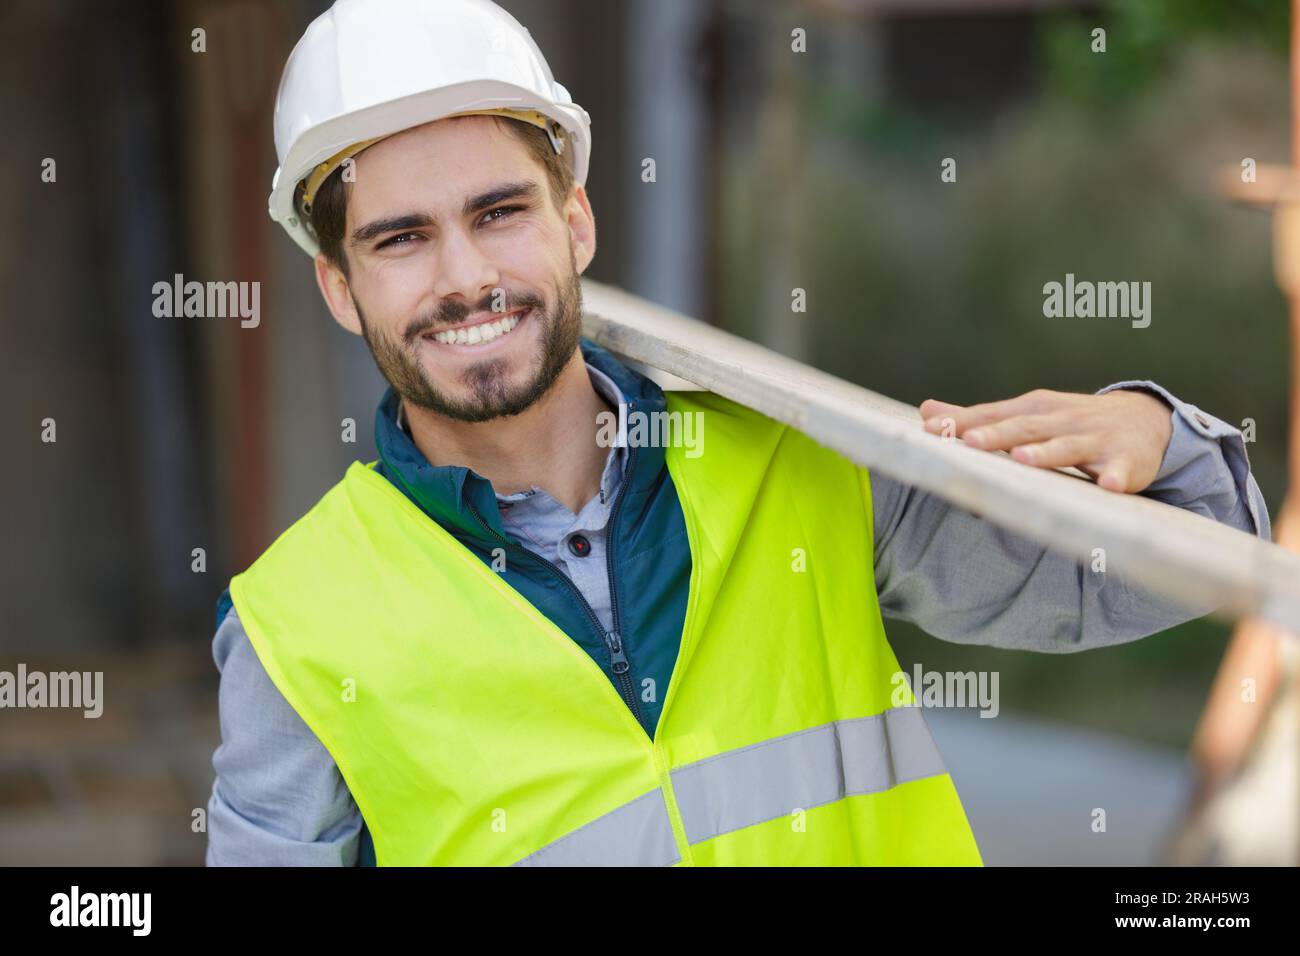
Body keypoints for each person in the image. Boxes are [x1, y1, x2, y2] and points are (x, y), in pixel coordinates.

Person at [206, 0, 1270, 866]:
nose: (467, 276)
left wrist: (1154, 429)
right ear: (340, 288)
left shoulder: (799, 463)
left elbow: (1180, 567)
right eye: (401, 239)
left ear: (574, 222)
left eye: (499, 213)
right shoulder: (294, 632)